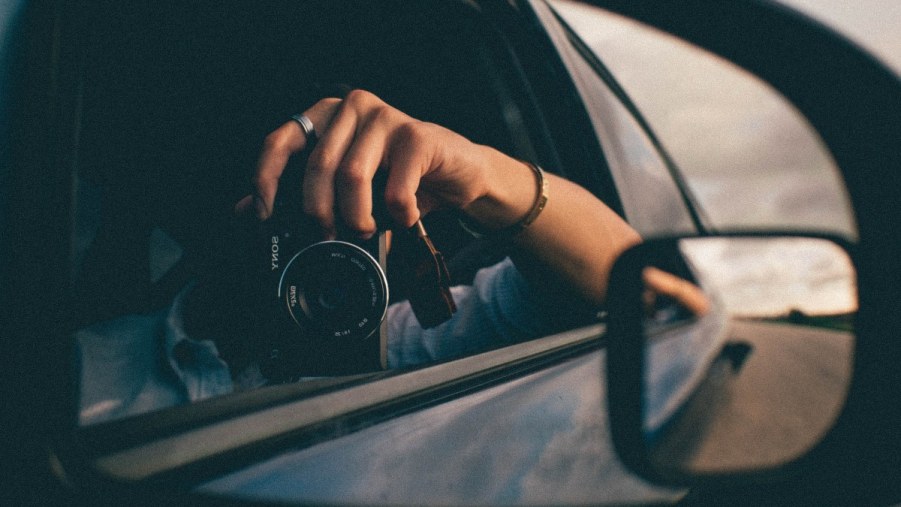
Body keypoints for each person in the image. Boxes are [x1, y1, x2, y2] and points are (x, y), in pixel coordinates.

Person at [77, 90, 642, 425]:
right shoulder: (78, 373)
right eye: (288, 211)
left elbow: (629, 288)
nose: (316, 251)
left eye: (346, 224)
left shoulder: (383, 352)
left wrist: (486, 176)